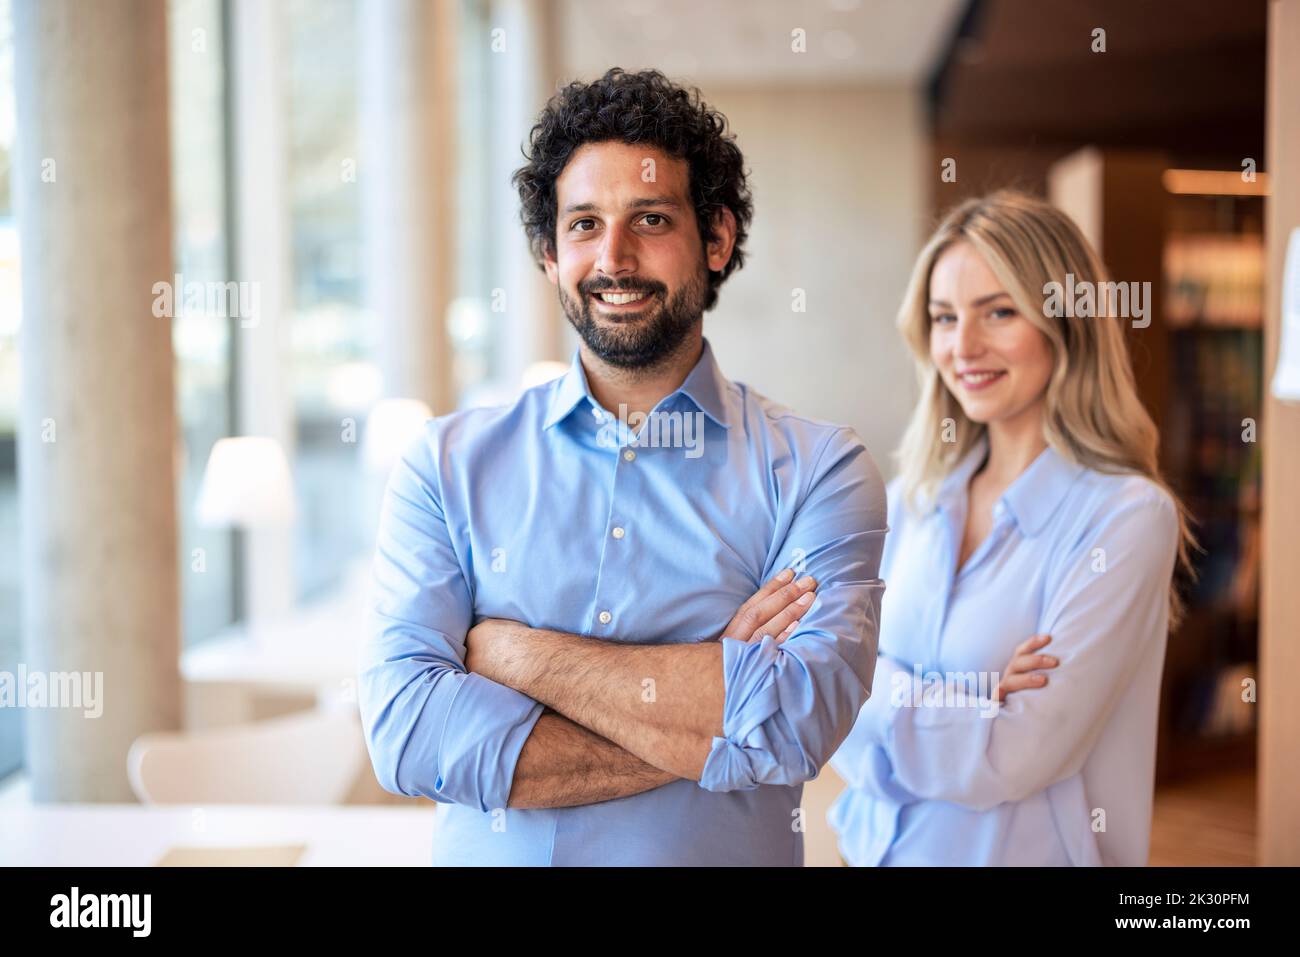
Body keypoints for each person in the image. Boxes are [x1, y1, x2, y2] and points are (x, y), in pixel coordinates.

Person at [358, 68, 887, 866]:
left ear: (716, 237)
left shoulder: (818, 471)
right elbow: (408, 737)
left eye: (649, 218)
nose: (614, 257)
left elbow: (795, 722)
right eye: (583, 224)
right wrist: (711, 710)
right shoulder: (444, 466)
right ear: (547, 251)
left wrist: (513, 655)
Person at [828, 190, 1195, 866]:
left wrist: (881, 686)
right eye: (944, 317)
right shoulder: (912, 500)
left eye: (998, 311)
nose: (963, 346)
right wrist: (974, 694)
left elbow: (1018, 755)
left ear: (1067, 322)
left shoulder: (1126, 518)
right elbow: (825, 693)